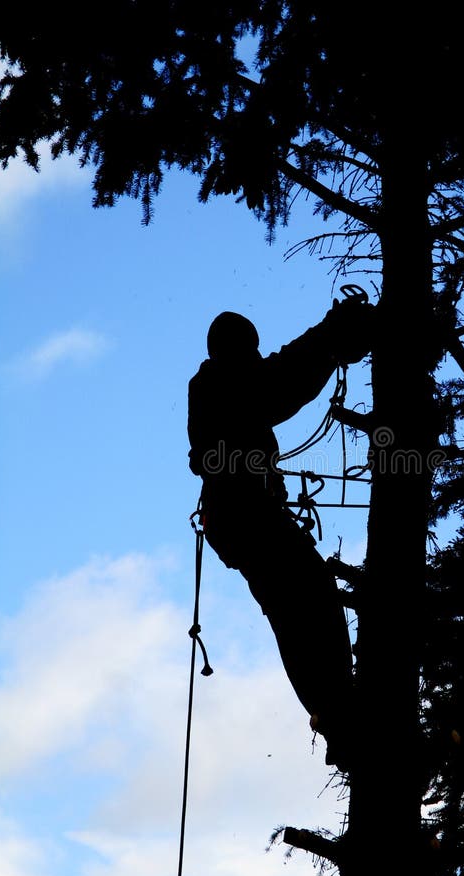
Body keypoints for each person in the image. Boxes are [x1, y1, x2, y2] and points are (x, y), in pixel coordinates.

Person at [187, 289, 374, 769]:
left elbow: (279, 374)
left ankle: (337, 714)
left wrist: (330, 340)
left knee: (297, 612)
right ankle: (340, 713)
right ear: (235, 350)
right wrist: (331, 338)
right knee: (310, 597)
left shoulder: (219, 384)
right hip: (247, 516)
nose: (255, 357)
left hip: (242, 520)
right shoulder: (224, 384)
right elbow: (280, 381)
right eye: (249, 350)